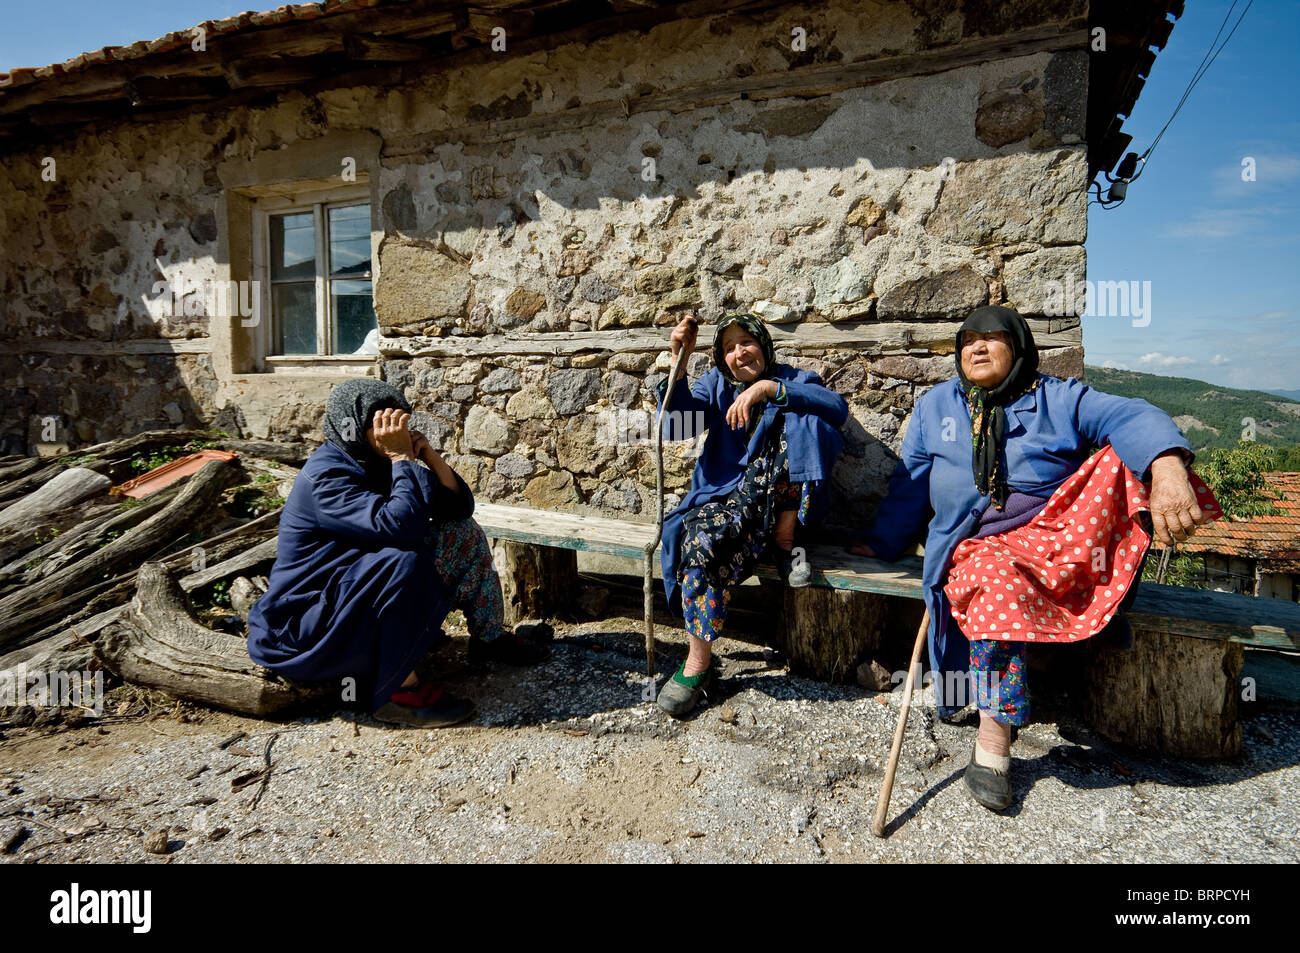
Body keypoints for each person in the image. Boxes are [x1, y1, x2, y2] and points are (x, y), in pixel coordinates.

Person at [850, 306, 1223, 810]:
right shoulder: (938, 406)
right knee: (994, 579)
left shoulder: (1056, 398)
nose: (977, 348)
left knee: (1125, 458)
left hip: (1057, 540)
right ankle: (994, 745)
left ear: (1020, 347)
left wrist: (1168, 466)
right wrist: (882, 543)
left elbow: (1131, 415)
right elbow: (912, 485)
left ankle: (1101, 601)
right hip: (977, 545)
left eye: (992, 338)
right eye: (968, 340)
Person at [247, 378, 547, 728]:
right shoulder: (327, 475)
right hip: (306, 625)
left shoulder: (381, 462)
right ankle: (398, 694)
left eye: (400, 423)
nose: (394, 433)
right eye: (383, 424)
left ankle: (489, 638)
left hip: (349, 601)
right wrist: (401, 457)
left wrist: (428, 456)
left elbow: (458, 507)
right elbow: (399, 527)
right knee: (403, 561)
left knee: (460, 534)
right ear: (356, 427)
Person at [653, 313, 848, 717]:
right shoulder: (717, 385)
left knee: (806, 419)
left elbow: (838, 410)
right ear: (722, 359)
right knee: (700, 542)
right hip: (726, 501)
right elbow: (676, 428)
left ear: (763, 343)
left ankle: (785, 540)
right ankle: (699, 664)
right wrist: (680, 363)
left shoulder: (794, 377)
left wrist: (769, 389)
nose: (739, 353)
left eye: (747, 342)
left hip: (775, 508)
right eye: (728, 347)